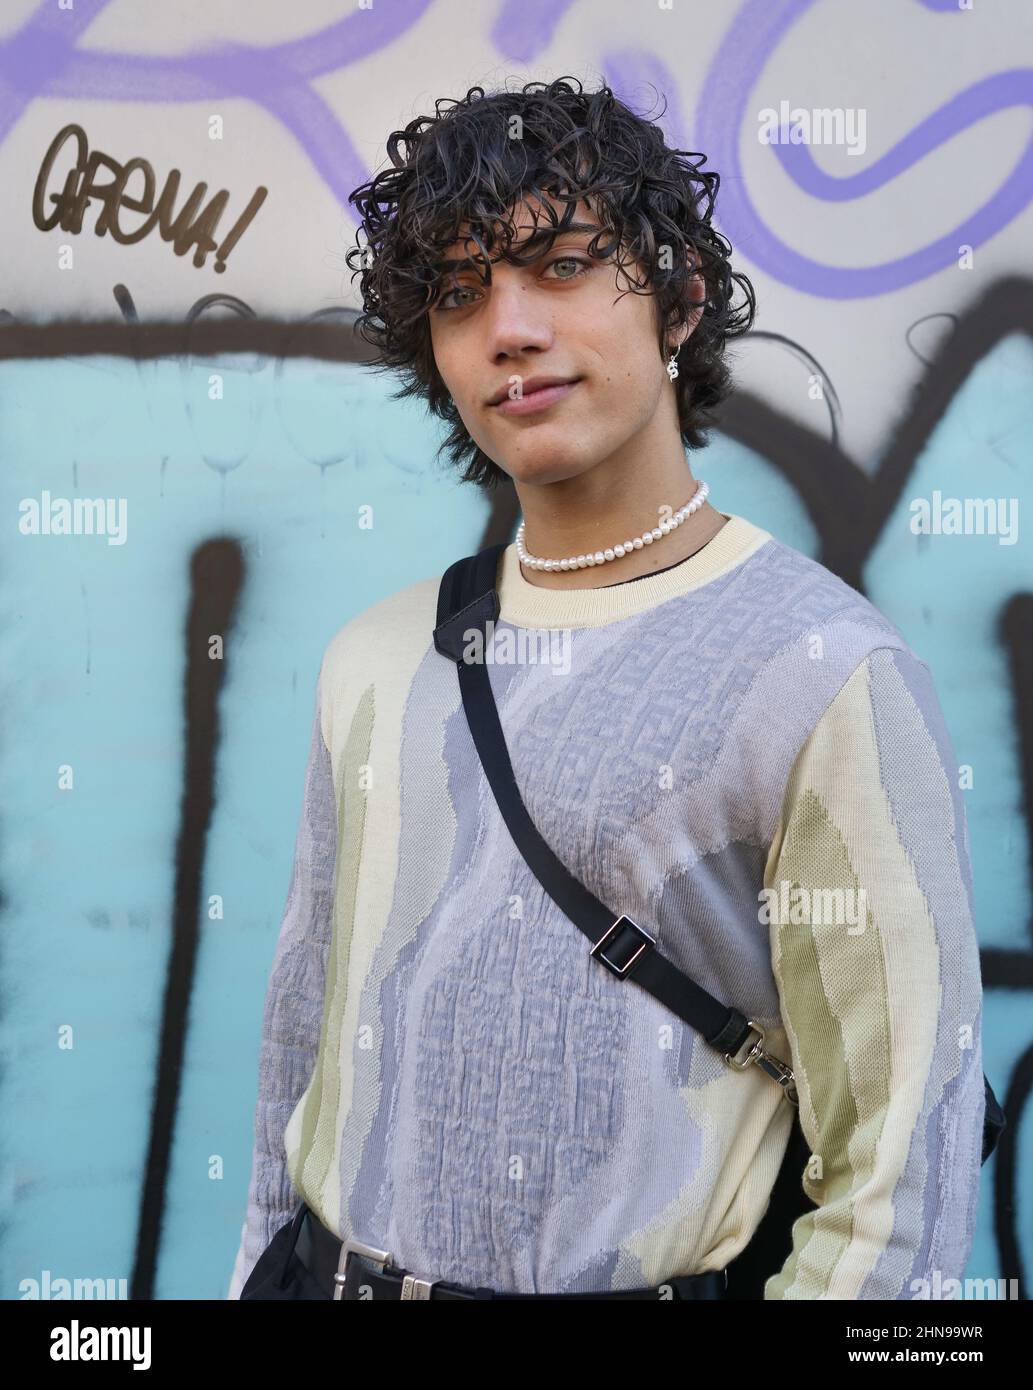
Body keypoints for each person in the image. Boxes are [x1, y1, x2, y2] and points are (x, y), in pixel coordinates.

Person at [228, 76, 986, 1301]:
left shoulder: (827, 671)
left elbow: (902, 1174)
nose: (508, 328)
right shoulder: (375, 655)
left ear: (680, 299)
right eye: (460, 292)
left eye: (563, 264)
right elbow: (298, 1049)